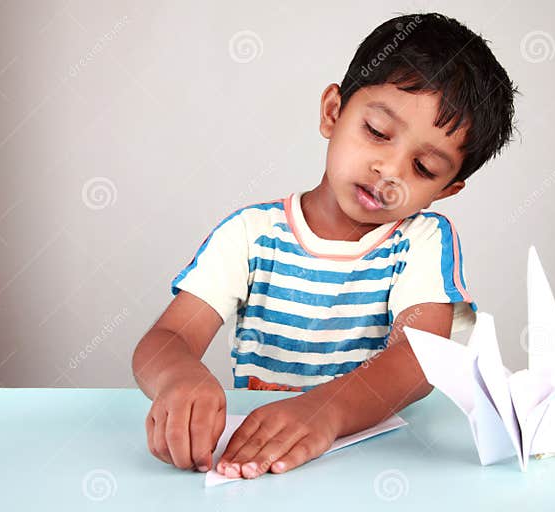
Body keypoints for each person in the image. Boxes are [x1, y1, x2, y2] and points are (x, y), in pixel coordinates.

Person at [132, 12, 519, 480]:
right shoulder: (251, 234)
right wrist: (178, 377)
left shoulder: (421, 241)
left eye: (423, 168)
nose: (389, 170)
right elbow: (165, 341)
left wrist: (325, 412)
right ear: (333, 112)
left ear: (445, 191)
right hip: (257, 467)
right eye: (377, 132)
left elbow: (420, 357)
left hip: (379, 471)